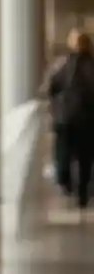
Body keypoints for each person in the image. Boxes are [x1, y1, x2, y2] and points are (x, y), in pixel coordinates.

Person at [45, 29, 94, 208]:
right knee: (85, 158)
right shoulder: (91, 66)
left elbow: (50, 88)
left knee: (64, 155)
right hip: (87, 121)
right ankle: (82, 192)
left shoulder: (62, 64)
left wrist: (55, 108)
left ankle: (67, 184)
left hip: (65, 119)